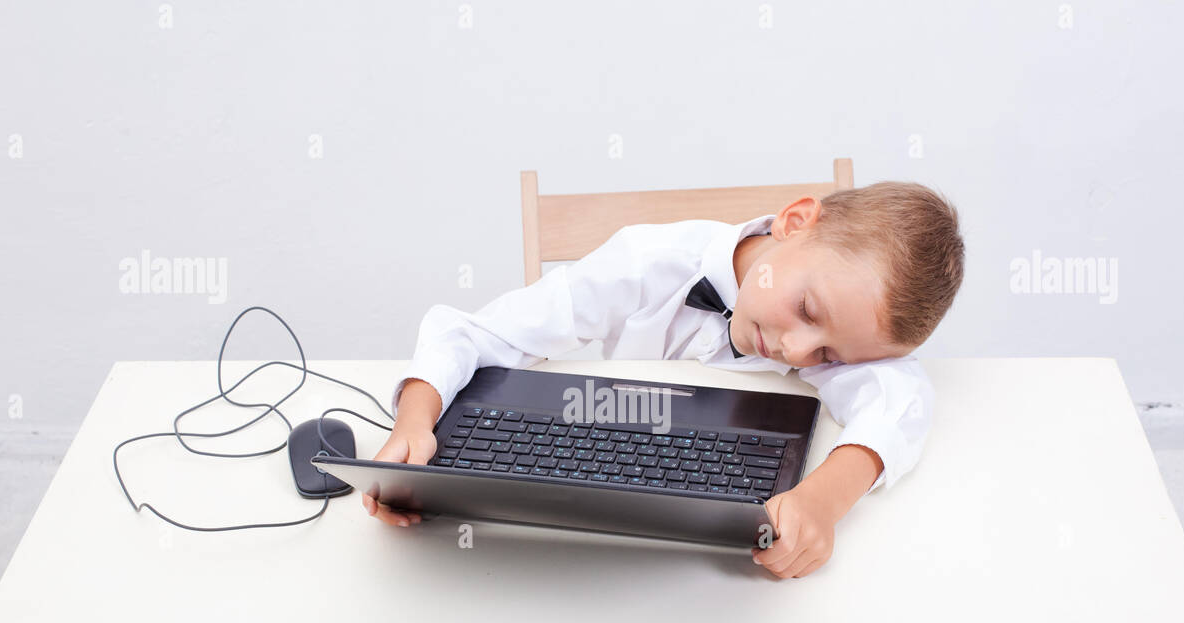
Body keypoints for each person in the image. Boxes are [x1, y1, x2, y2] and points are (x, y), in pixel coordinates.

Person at [365, 182, 964, 579]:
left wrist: (823, 501)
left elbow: (899, 398)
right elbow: (480, 333)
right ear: (795, 220)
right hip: (592, 492)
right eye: (807, 311)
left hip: (701, 566)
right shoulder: (647, 261)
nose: (798, 350)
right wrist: (416, 419)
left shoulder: (838, 321)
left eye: (829, 350)